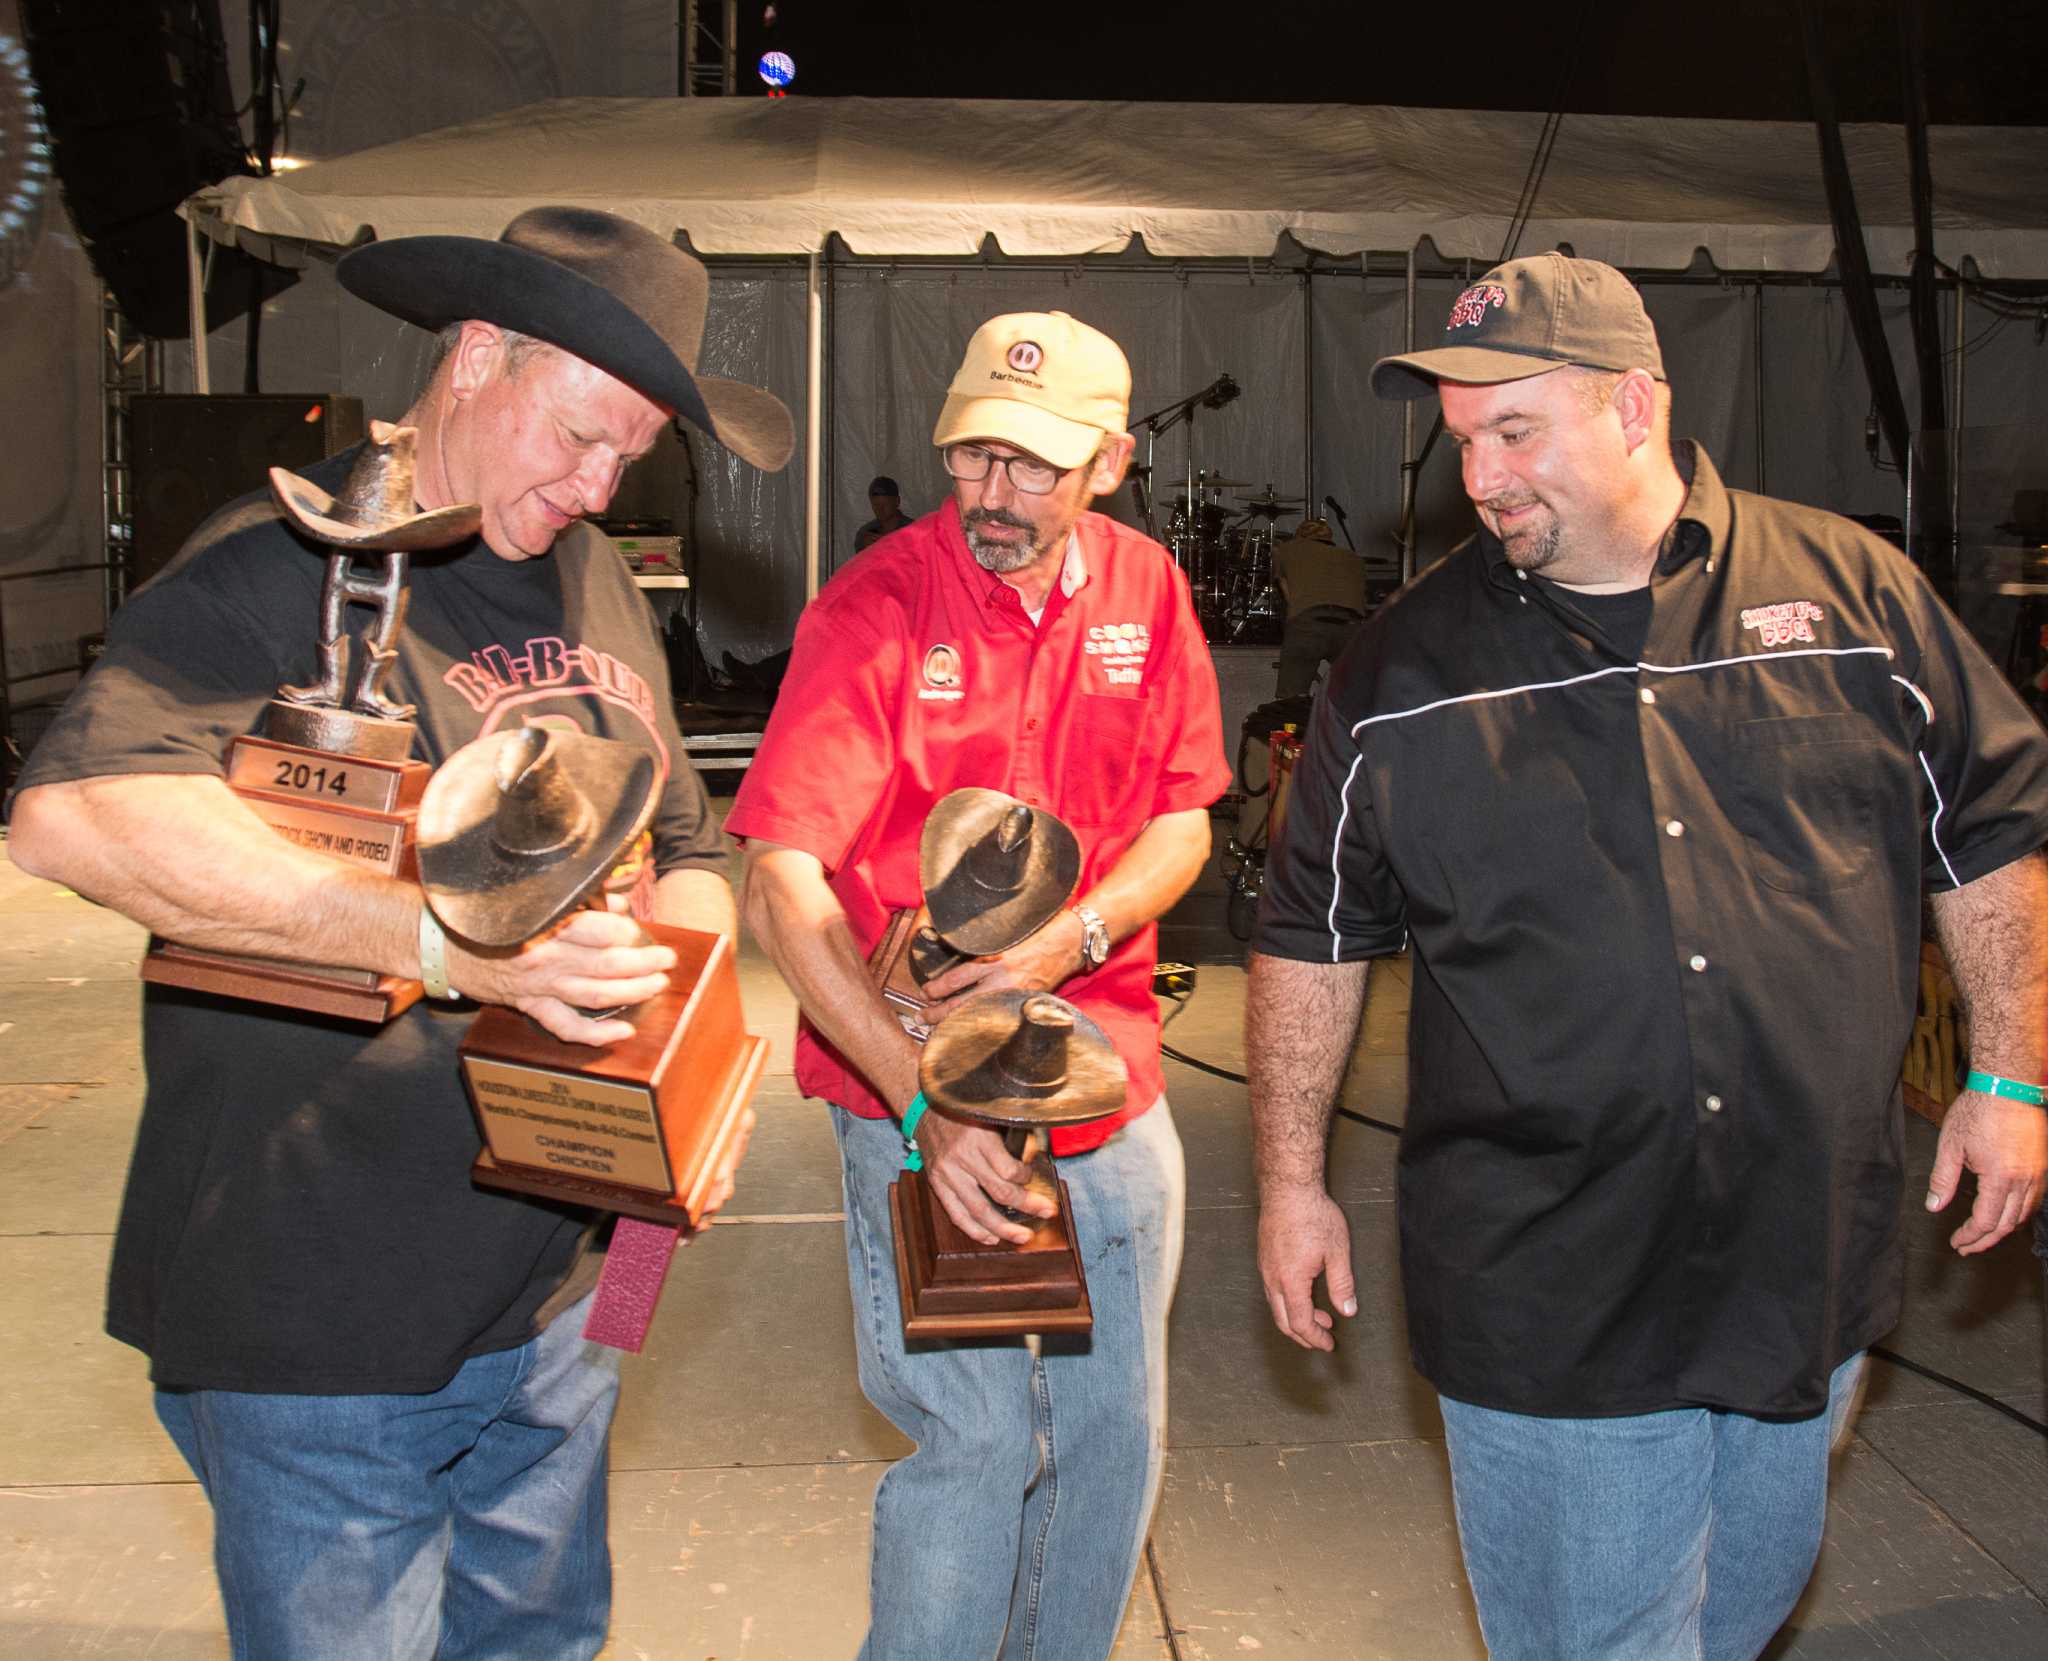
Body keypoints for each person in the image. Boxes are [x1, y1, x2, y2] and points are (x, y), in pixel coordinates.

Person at [5, 206, 792, 1660]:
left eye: (631, 454)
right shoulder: (280, 566)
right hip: (323, 1321)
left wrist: (689, 1048)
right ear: (478, 359)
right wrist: (442, 944)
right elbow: (78, 815)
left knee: (543, 1638)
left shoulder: (594, 571)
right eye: (579, 435)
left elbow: (688, 838)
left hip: (569, 1289)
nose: (597, 481)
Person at [1246, 253, 2048, 1661]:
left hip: (1804, 1259)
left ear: (1633, 406)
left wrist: (2012, 1075)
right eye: (1462, 441)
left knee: (1737, 1614)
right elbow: (1311, 939)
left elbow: (1985, 832)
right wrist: (1290, 1181)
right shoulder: (1400, 673)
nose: (1481, 479)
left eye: (1515, 431)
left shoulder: (1856, 600)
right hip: (1554, 1283)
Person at [728, 309, 1229, 1660]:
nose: (994, 496)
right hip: (906, 1076)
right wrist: (922, 1108)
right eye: (972, 456)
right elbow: (781, 881)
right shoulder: (877, 605)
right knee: (978, 1435)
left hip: (1101, 1068)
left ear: (1112, 462)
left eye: (1034, 465)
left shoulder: (1148, 592)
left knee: (1115, 1431)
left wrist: (1082, 932)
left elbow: (1187, 818)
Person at [1271, 515, 1364, 697]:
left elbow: (1288, 593)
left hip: (1309, 624)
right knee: (1355, 696)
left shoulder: (1286, 549)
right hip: (1351, 628)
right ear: (1329, 538)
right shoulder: (1354, 558)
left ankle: (1295, 721)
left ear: (1300, 536)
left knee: (1291, 698)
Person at [853, 472, 913, 554]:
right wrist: (865, 551)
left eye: (885, 504)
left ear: (897, 502)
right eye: (875, 505)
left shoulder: (912, 530)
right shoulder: (865, 534)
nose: (880, 509)